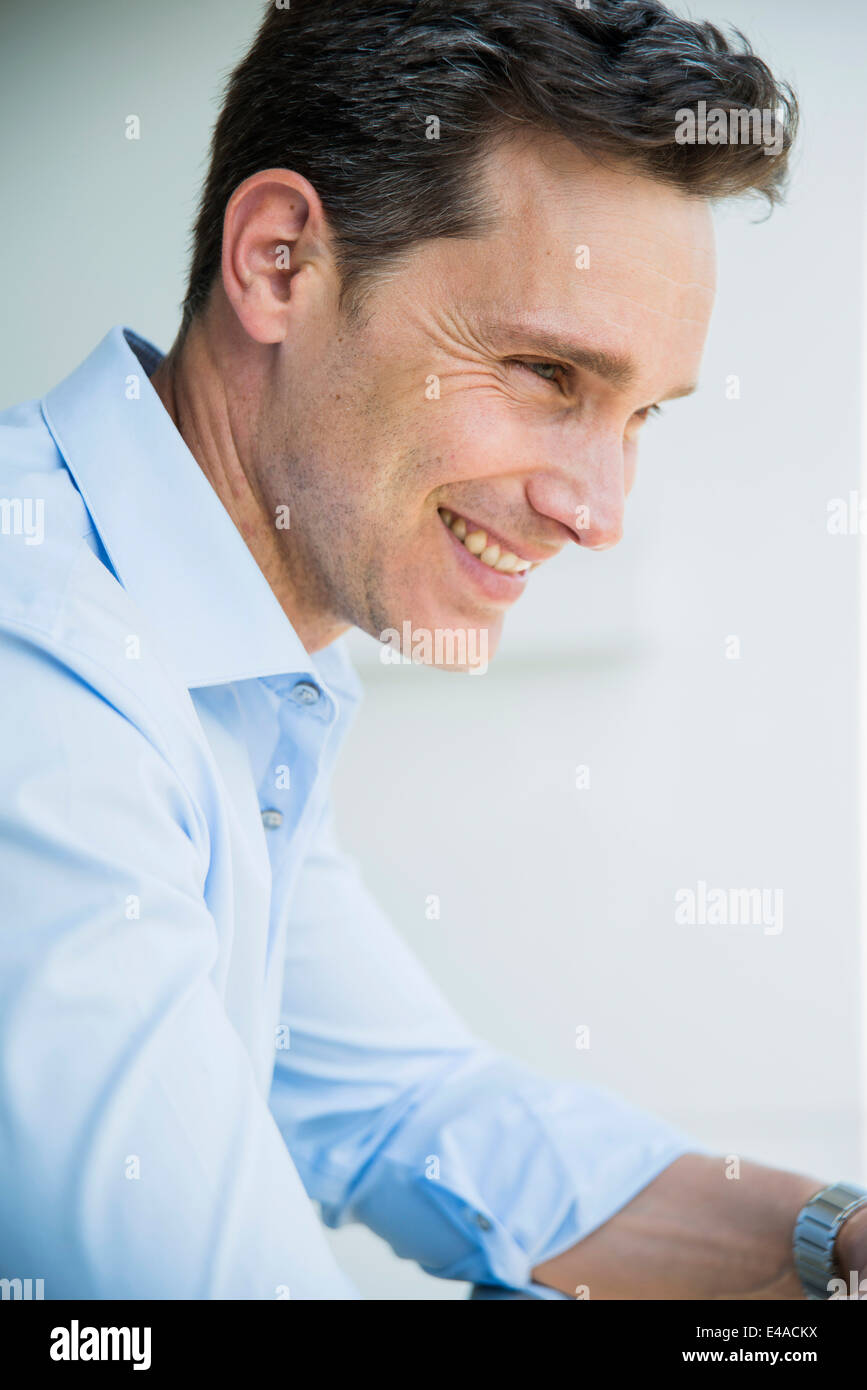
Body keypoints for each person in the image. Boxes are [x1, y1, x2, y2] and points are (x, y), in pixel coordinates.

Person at [1, 0, 863, 1300]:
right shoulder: (41, 661)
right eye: (546, 375)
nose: (601, 511)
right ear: (281, 261)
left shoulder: (233, 665)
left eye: (642, 416)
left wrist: (834, 1236)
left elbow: (409, 1110)